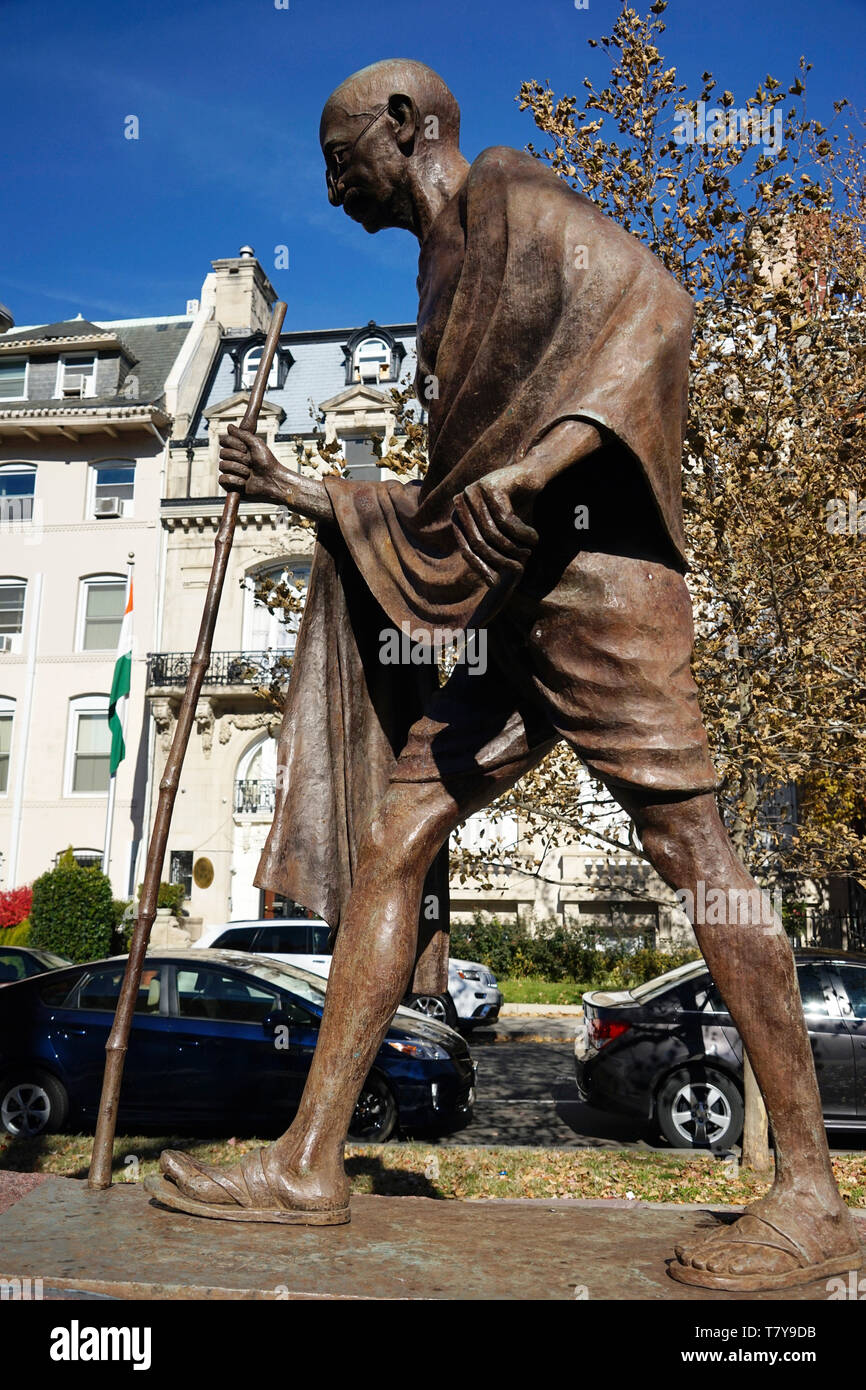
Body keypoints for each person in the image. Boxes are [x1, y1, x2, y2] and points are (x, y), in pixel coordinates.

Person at [155, 59, 861, 1291]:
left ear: (401, 126)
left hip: (597, 586)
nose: (331, 193)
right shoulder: (435, 275)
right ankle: (309, 1162)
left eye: (340, 162)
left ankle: (807, 1187)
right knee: (396, 834)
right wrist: (299, 490)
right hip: (505, 608)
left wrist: (535, 477)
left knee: (697, 857)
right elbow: (445, 497)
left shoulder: (510, 198)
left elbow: (656, 309)